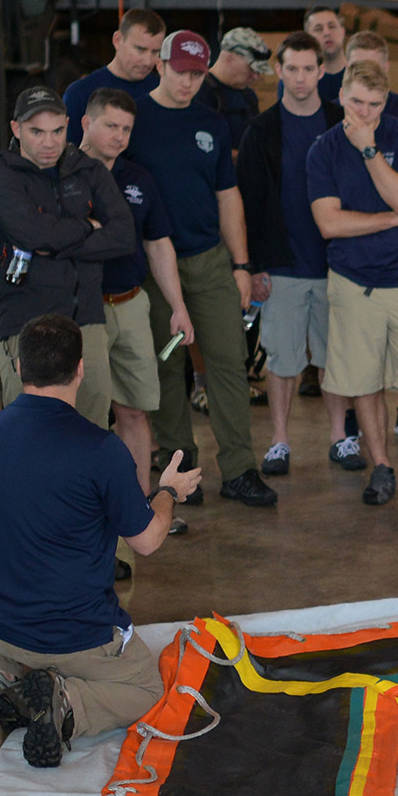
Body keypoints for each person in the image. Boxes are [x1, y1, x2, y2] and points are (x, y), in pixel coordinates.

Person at [0, 314, 203, 769]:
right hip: (71, 636)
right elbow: (149, 540)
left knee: (17, 639)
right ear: (80, 369)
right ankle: (66, 701)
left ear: (18, 368)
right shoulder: (99, 449)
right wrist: (169, 492)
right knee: (147, 689)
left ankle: (2, 674)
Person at [308, 61, 398, 507]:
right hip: (353, 283)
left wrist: (370, 149)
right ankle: (382, 467)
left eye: (374, 105)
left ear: (386, 102)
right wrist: (394, 221)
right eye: (356, 102)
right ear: (341, 97)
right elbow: (329, 224)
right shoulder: (324, 150)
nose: (365, 113)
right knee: (365, 382)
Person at [127, 31, 266, 504]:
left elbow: (228, 197)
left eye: (196, 74)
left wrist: (241, 264)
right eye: (180, 71)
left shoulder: (213, 122)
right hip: (151, 267)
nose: (187, 82)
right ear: (160, 66)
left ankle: (240, 468)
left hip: (208, 261)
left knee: (229, 361)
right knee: (167, 367)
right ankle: (179, 467)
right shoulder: (134, 120)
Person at [0, 91, 136, 426]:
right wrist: (86, 227)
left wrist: (54, 242)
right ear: (16, 129)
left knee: (91, 430)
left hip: (86, 321)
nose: (49, 143)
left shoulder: (88, 170)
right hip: (26, 323)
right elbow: (35, 236)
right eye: (37, 132)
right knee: (30, 434)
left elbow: (123, 235)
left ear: (68, 127)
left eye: (57, 131)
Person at [78, 93, 195, 514]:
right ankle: (87, 509)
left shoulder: (139, 178)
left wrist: (177, 305)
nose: (119, 136)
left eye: (126, 129)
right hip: (80, 310)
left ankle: (137, 506)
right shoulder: (64, 174)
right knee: (85, 416)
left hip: (130, 304)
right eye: (111, 126)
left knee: (135, 411)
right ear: (86, 124)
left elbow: (158, 244)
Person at [238, 32, 349, 473]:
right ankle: (280, 440)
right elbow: (246, 203)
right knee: (282, 358)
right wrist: (253, 266)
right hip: (282, 264)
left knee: (333, 358)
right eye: (292, 69)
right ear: (279, 72)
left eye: (309, 69)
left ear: (321, 72)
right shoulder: (261, 131)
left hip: (336, 264)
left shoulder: (342, 123)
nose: (301, 78)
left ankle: (340, 436)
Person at [61, 9, 166, 122]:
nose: (148, 61)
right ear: (117, 40)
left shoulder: (165, 91)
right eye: (140, 49)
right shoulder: (79, 94)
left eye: (155, 52)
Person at [204, 25, 271, 148]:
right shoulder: (200, 92)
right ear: (229, 57)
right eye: (251, 68)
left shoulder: (249, 97)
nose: (256, 77)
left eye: (258, 71)